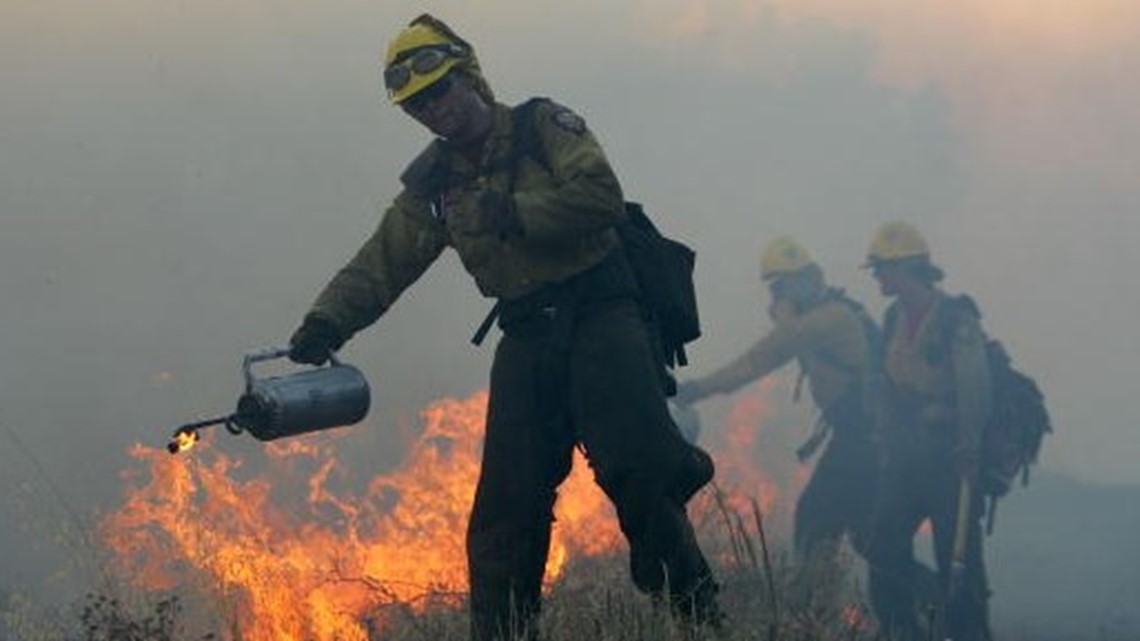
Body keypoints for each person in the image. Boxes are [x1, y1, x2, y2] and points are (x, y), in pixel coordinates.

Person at [285, 14, 721, 641]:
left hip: (603, 316)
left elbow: (599, 198)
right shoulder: (435, 183)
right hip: (527, 336)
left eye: (440, 91)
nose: (434, 110)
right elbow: (384, 259)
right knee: (505, 510)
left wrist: (511, 212)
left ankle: (701, 617)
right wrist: (326, 322)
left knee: (643, 474)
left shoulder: (543, 127)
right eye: (418, 105)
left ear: (471, 77)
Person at [673, 237, 882, 582]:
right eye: (776, 289)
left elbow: (761, 358)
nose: (778, 296)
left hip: (863, 441)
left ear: (808, 281)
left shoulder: (828, 319)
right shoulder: (822, 317)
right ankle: (907, 608)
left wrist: (695, 390)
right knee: (867, 539)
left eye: (783, 287)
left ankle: (814, 608)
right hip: (861, 439)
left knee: (815, 519)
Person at [862, 221, 992, 641]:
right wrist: (884, 436)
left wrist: (970, 452)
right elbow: (884, 383)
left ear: (908, 268)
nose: (878, 277)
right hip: (903, 456)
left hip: (949, 458)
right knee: (882, 548)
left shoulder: (956, 319)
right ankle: (903, 631)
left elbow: (976, 390)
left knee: (958, 563)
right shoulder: (892, 317)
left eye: (883, 268)